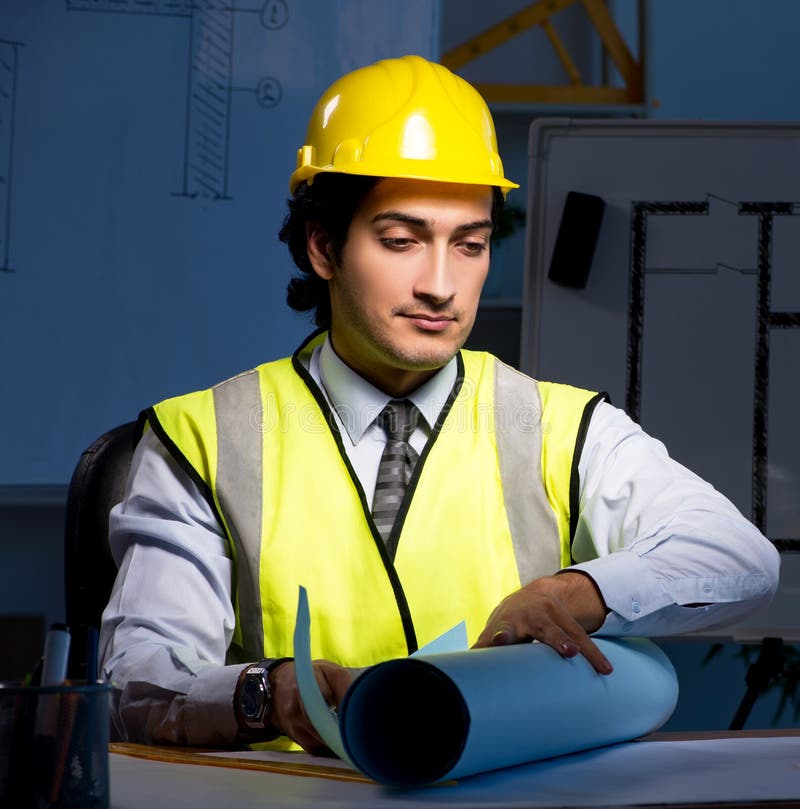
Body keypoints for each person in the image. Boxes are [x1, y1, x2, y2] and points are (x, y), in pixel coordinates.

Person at [99, 55, 780, 752]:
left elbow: (738, 555)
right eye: (401, 240)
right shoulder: (205, 437)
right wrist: (263, 692)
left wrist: (579, 590)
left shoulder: (557, 425)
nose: (440, 284)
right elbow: (135, 683)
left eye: (470, 245)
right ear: (324, 246)